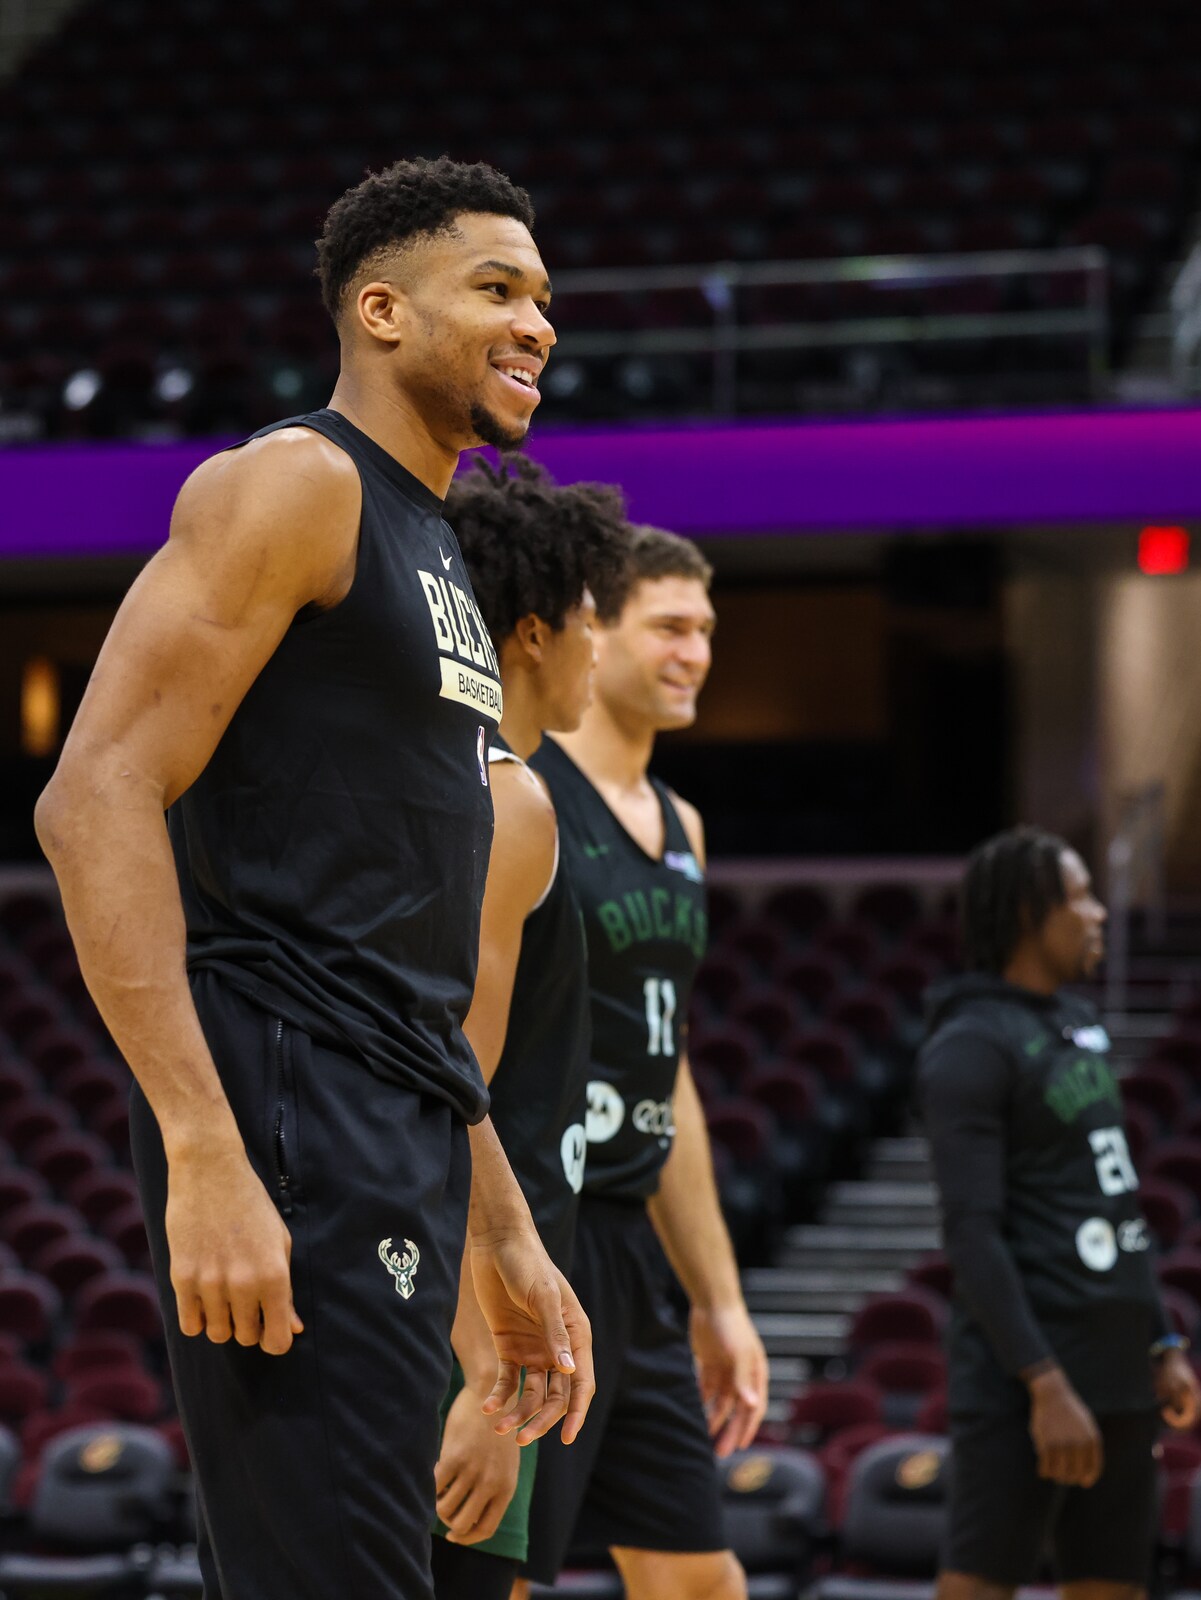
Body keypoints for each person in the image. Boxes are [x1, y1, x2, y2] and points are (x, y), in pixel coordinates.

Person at [34, 156, 594, 1600]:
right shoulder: (296, 483)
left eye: (543, 296)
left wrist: (501, 1228)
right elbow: (93, 795)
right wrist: (204, 1149)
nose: (538, 322)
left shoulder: (438, 544)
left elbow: (410, 965)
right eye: (497, 288)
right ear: (381, 310)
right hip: (290, 1106)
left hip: (391, 1117)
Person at [517, 527, 767, 1600]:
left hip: (628, 1247)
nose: (694, 653)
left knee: (701, 1577)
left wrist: (719, 1299)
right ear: (596, 628)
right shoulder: (522, 789)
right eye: (669, 627)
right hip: (535, 1229)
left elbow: (672, 1075)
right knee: (495, 1574)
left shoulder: (683, 826)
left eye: (705, 630)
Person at [429, 457, 632, 1600]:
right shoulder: (507, 799)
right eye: (590, 618)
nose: (598, 646)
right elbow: (447, 1092)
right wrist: (480, 1368)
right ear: (531, 634)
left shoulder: (433, 777)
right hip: (462, 1303)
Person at [917, 827, 1201, 1600]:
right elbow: (971, 1232)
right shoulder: (969, 1043)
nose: (1099, 912)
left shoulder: (1078, 1025)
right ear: (1027, 913)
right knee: (977, 1588)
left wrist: (1162, 1340)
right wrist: (1043, 1384)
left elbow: (1117, 1200)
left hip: (1119, 1368)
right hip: (1025, 1382)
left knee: (1114, 1586)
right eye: (1080, 896)